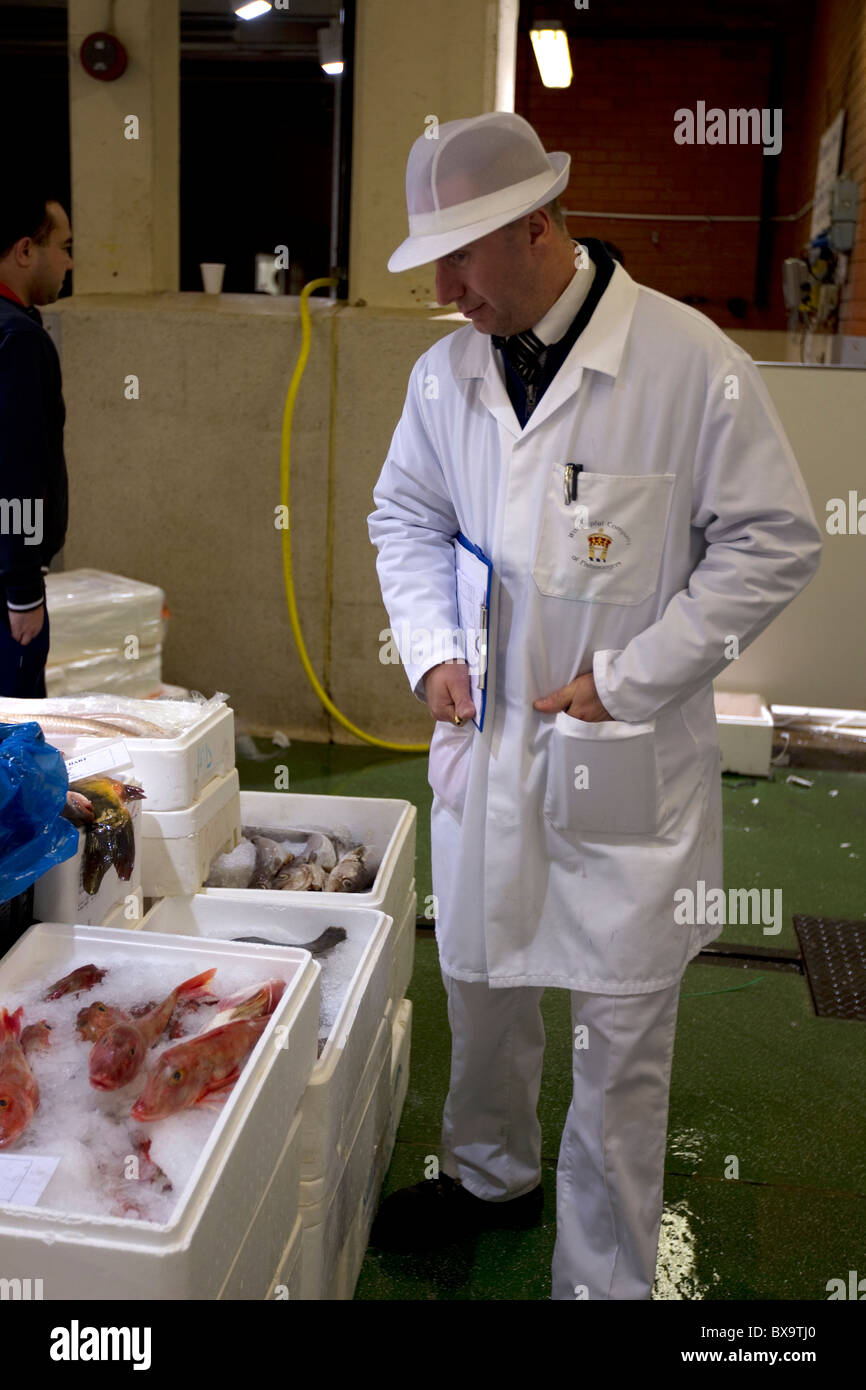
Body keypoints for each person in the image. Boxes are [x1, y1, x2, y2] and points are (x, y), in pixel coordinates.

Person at [367, 113, 822, 1300]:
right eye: (434, 267)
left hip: (619, 762)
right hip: (485, 746)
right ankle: (486, 1172)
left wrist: (630, 678)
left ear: (537, 225)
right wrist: (427, 649)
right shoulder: (443, 374)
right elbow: (403, 517)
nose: (449, 291)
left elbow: (771, 544)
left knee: (618, 1041)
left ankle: (603, 1280)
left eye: (464, 260)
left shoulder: (685, 362)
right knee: (478, 984)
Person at [0, 188, 72, 697]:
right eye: (64, 246)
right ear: (26, 251)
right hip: (5, 584)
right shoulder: (18, 339)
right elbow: (17, 475)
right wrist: (23, 589)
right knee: (14, 740)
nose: (68, 262)